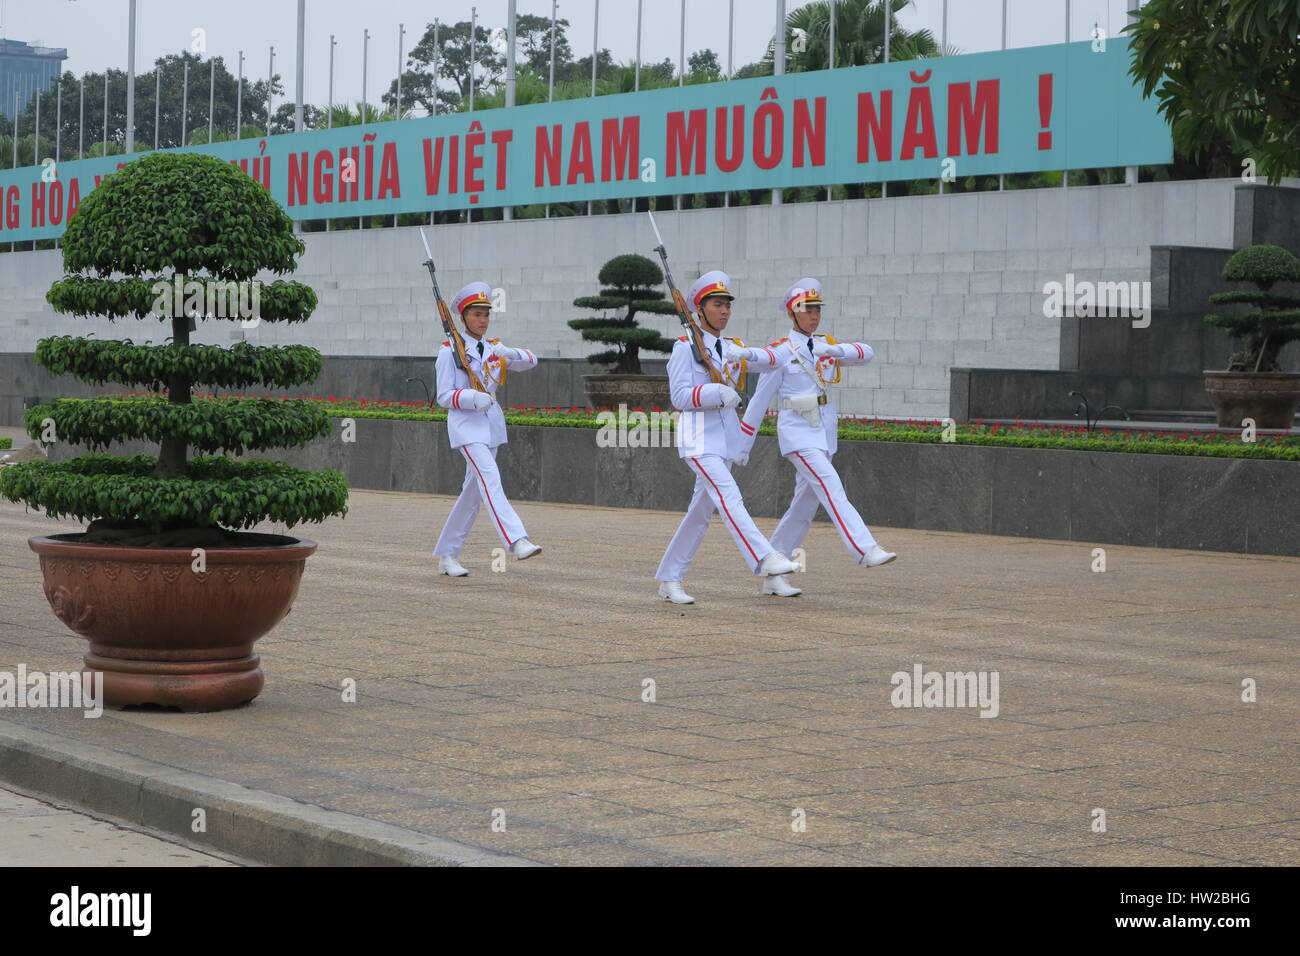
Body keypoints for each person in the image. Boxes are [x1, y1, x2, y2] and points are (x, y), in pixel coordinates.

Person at [737, 277, 896, 597]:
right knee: (830, 484)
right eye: (807, 310)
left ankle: (774, 571)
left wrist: (833, 349)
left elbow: (867, 353)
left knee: (803, 508)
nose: (814, 315)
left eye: (817, 309)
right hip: (797, 433)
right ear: (792, 314)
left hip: (823, 431)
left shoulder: (825, 345)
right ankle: (864, 548)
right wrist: (743, 443)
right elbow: (759, 399)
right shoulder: (782, 352)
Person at [654, 270, 799, 605]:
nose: (724, 311)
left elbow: (777, 358)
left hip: (725, 441)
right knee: (729, 495)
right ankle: (765, 558)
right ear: (700, 310)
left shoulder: (733, 347)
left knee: (700, 512)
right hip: (699, 441)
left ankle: (669, 578)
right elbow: (679, 397)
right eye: (717, 305)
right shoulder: (683, 349)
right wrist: (716, 391)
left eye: (727, 305)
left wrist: (749, 356)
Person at [432, 281, 541, 576]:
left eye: (486, 314)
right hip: (466, 426)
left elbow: (532, 360)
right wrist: (470, 397)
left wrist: (509, 353)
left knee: (472, 492)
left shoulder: (493, 347)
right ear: (464, 317)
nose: (483, 320)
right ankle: (516, 539)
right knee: (490, 477)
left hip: (491, 424)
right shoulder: (449, 351)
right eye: (477, 314)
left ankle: (448, 554)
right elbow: (444, 396)